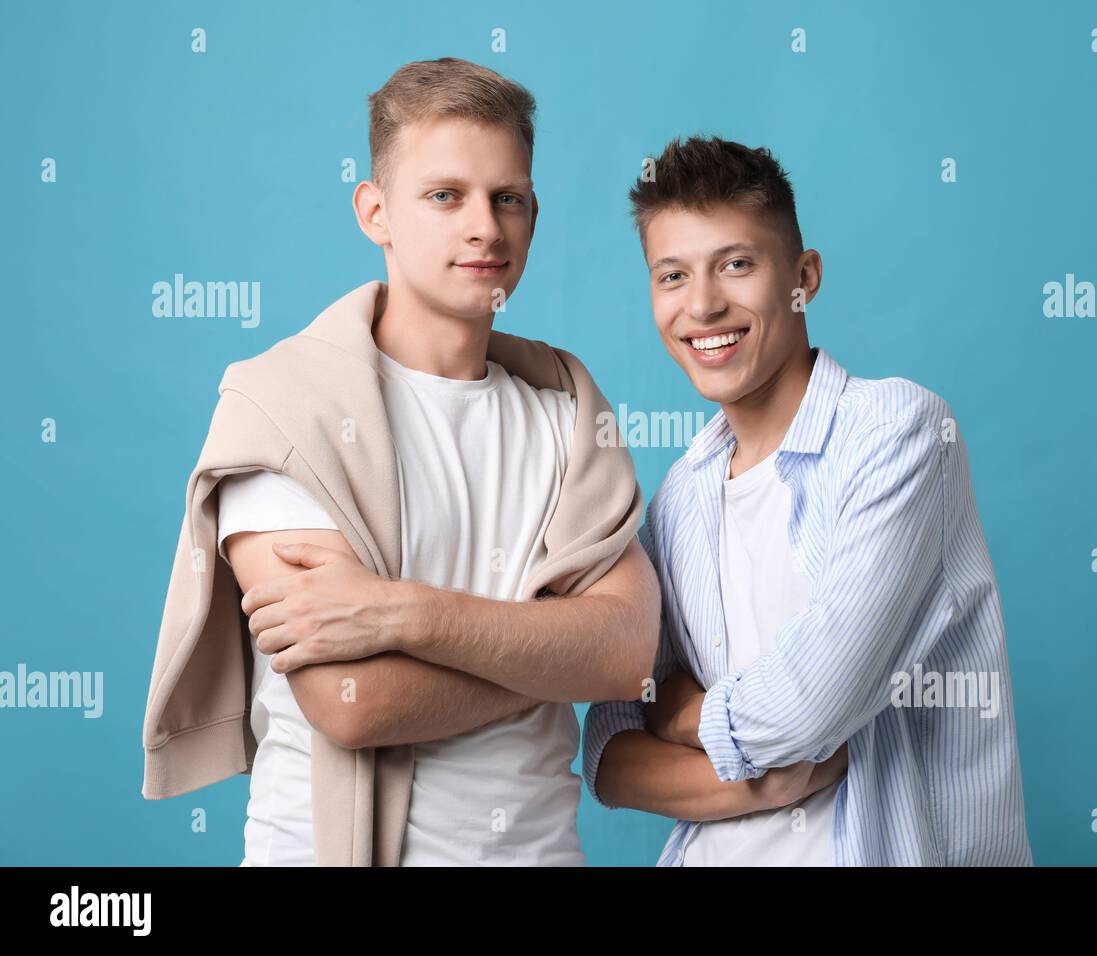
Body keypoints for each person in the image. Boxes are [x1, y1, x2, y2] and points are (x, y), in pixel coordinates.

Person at [197, 58, 661, 865]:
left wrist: (398, 614)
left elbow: (624, 653)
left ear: (532, 212)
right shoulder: (282, 406)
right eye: (444, 195)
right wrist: (553, 658)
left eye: (506, 197)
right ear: (374, 212)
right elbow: (353, 702)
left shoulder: (568, 408)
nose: (484, 227)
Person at [581, 136, 1033, 866]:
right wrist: (763, 787)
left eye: (736, 264)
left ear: (803, 275)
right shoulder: (677, 501)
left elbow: (810, 706)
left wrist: (684, 713)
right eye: (672, 275)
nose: (702, 304)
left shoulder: (899, 432)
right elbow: (608, 752)